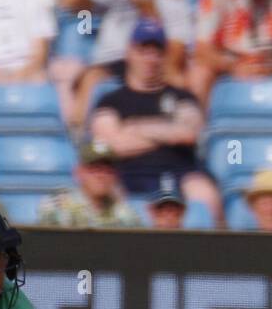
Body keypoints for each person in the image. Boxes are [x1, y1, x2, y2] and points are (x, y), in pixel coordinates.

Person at [59, 0, 191, 125]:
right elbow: (69, 2)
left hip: (152, 61)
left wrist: (148, 9)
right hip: (112, 61)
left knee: (179, 81)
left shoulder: (174, 4)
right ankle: (78, 139)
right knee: (91, 79)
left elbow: (175, 53)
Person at [90, 19, 220, 218]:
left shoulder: (182, 97)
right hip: (128, 175)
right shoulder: (111, 101)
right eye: (143, 50)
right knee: (107, 193)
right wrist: (167, 131)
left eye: (157, 52)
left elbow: (188, 133)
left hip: (179, 174)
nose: (150, 58)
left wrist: (134, 127)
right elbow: (111, 145)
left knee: (206, 193)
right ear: (130, 52)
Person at [37, 140, 145, 228]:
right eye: (94, 169)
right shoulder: (59, 205)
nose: (102, 175)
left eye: (108, 170)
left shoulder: (125, 215)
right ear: (79, 173)